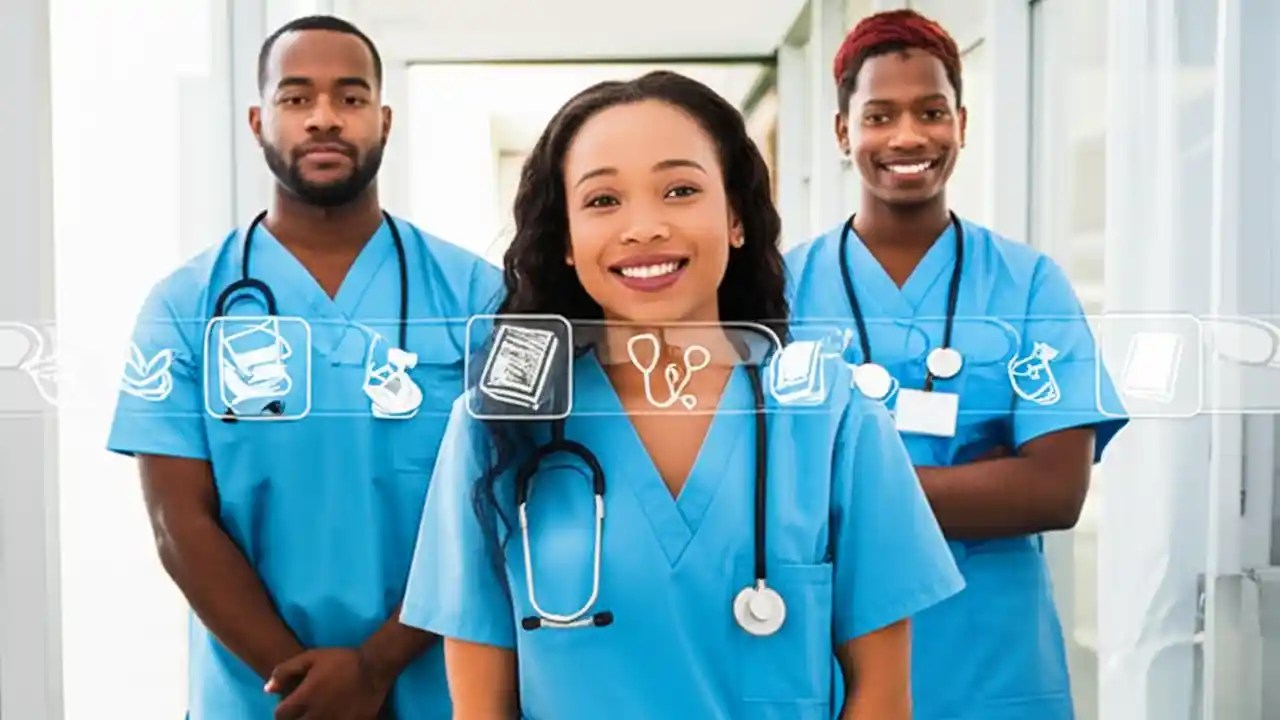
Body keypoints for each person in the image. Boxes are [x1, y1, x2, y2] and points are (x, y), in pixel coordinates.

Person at [395, 70, 964, 720]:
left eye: (680, 189)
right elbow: (480, 709)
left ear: (736, 218)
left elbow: (882, 698)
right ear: (568, 245)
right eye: (603, 200)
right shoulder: (495, 423)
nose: (644, 227)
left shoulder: (831, 415)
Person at [107, 15, 501, 719]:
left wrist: (373, 670)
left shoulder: (478, 296)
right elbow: (179, 523)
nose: (324, 119)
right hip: (259, 698)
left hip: (437, 690)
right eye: (296, 99)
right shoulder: (185, 304)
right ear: (259, 120)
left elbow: (501, 503)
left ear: (383, 119)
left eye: (350, 99)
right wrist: (309, 687)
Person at [784, 9, 1130, 720]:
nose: (908, 136)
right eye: (879, 115)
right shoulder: (781, 291)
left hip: (990, 660)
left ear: (962, 125)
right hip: (826, 654)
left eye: (931, 111)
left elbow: (1055, 492)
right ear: (844, 132)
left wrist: (844, 491)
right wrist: (985, 478)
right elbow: (757, 486)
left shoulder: (1029, 283)